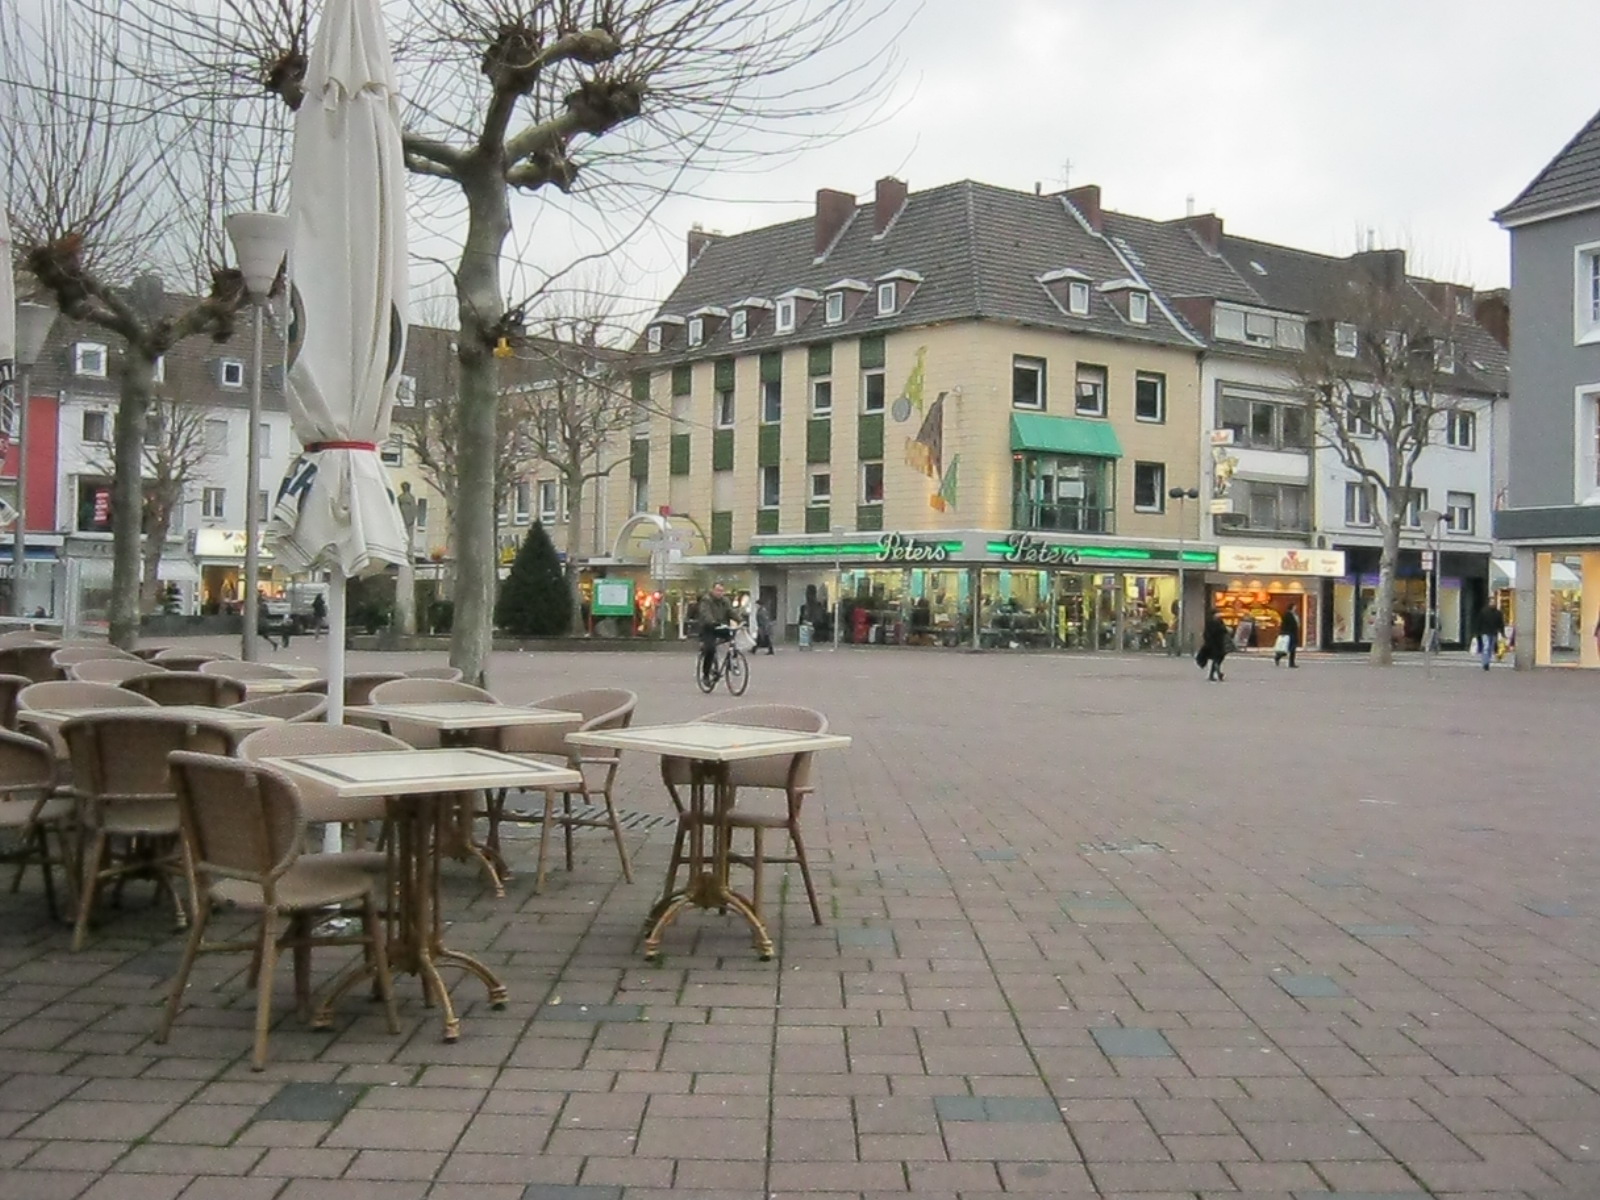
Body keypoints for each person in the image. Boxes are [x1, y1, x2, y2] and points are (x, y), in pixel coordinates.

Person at [695, 581, 734, 684]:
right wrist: (712, 622)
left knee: (732, 637)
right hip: (709, 628)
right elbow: (705, 613)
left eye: (721, 591)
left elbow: (731, 612)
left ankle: (731, 659)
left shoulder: (725, 601)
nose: (719, 593)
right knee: (710, 649)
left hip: (721, 626)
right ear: (712, 590)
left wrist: (741, 620)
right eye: (717, 590)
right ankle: (706, 674)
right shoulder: (706, 600)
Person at [1196, 608, 1230, 682]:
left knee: (1216, 658)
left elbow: (1206, 633)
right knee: (1218, 658)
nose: (1219, 614)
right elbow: (1223, 630)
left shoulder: (1211, 622)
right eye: (1217, 613)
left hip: (1213, 643)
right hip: (1217, 643)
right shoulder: (1216, 622)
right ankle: (1216, 671)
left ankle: (1213, 674)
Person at [1476, 601, 1506, 671]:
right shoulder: (1484, 612)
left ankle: (1486, 662)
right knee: (1486, 647)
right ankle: (1485, 663)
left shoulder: (1498, 613)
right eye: (1492, 603)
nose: (1493, 604)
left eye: (1493, 603)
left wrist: (1502, 632)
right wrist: (1478, 631)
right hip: (1486, 632)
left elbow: (1501, 624)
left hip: (1492, 633)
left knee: (1489, 648)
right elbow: (1479, 622)